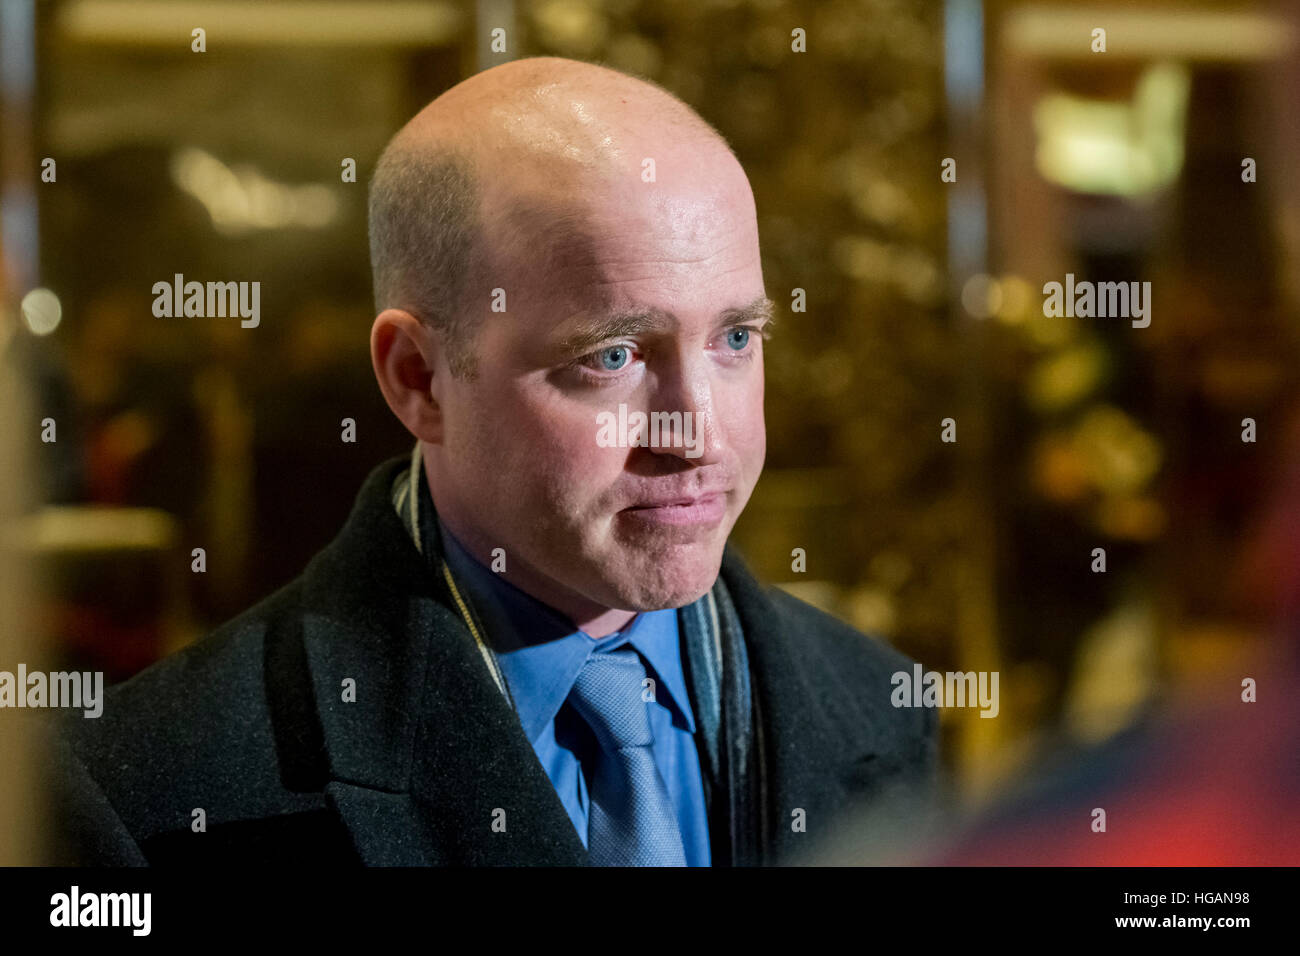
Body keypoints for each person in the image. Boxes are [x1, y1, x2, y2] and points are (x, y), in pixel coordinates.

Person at [47, 56, 937, 866]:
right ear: (419, 377)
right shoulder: (151, 792)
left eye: (736, 338)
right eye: (615, 356)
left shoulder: (877, 707)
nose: (700, 434)